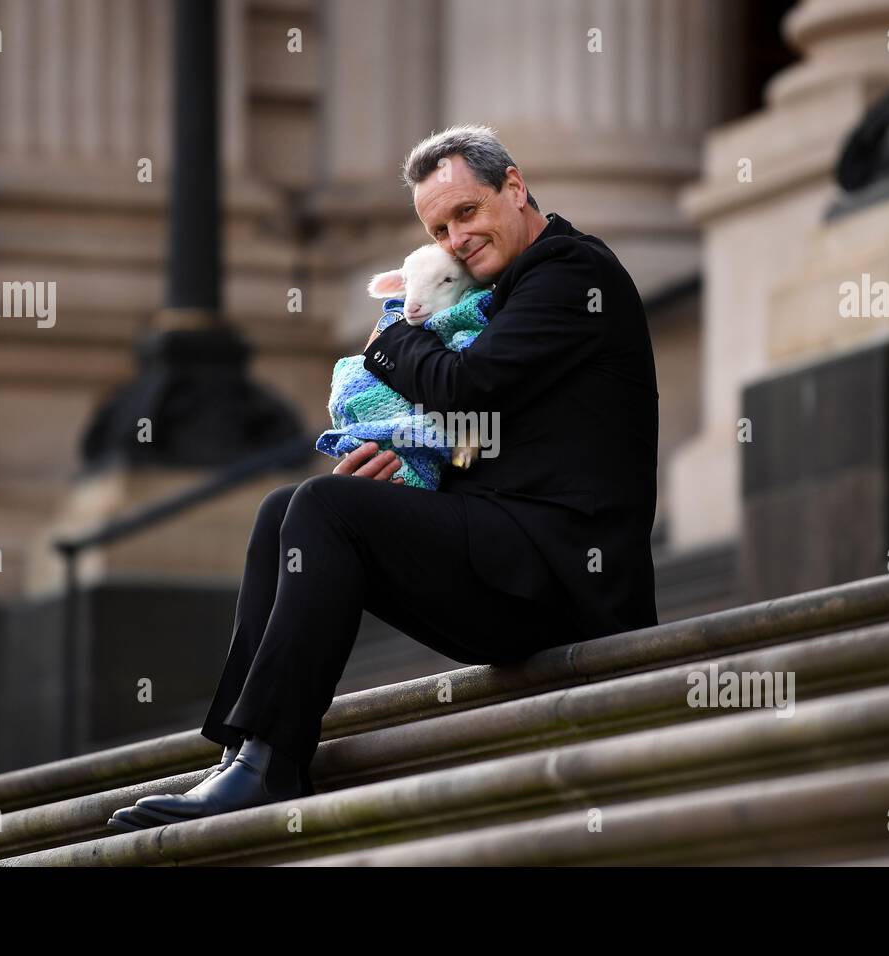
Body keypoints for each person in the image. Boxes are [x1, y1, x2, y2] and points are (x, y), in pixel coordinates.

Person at [107, 124, 659, 832]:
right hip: (509, 555)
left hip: (568, 580)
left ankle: (271, 765)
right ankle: (245, 753)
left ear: (514, 188)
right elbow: (492, 428)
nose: (455, 240)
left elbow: (471, 389)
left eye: (467, 213)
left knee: (326, 508)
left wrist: (391, 337)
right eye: (439, 227)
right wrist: (412, 466)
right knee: (285, 511)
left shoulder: (572, 274)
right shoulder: (498, 293)